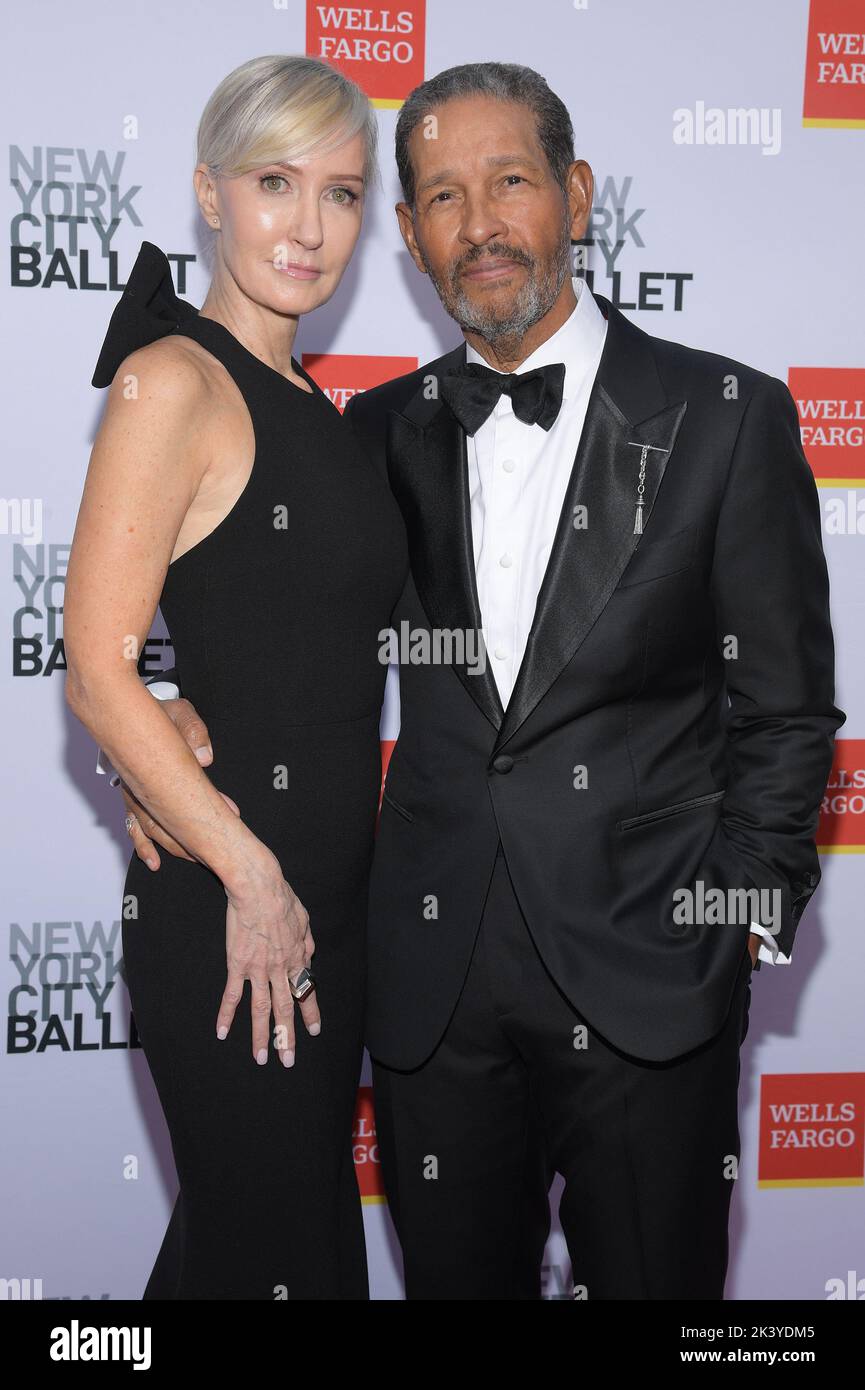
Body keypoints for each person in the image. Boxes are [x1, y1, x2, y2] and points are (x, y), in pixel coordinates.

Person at [124, 63, 844, 1300]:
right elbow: (252, 619)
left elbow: (785, 715)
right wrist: (159, 738)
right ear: (406, 235)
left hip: (651, 983)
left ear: (574, 194)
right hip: (424, 989)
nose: (480, 223)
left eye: (510, 182)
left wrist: (728, 932)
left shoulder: (727, 416)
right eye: (442, 197)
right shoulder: (369, 434)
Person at [64, 54, 407, 1300]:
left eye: (343, 193)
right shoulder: (176, 381)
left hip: (327, 910)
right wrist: (249, 872)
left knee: (267, 1257)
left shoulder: (314, 402)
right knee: (278, 1264)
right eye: (276, 183)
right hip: (232, 918)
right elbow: (99, 671)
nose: (309, 227)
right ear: (210, 195)